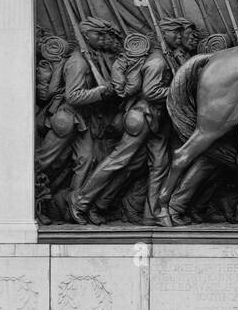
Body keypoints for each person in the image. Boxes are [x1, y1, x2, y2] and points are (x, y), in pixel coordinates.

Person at [70, 30, 172, 225]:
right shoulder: (156, 62)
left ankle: (151, 214)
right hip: (141, 117)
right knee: (118, 161)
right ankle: (80, 202)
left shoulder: (158, 58)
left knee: (158, 164)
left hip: (157, 121)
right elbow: (151, 92)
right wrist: (178, 88)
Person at [34, 21, 118, 216]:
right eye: (99, 35)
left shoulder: (92, 58)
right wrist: (99, 92)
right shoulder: (78, 63)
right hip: (67, 119)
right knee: (44, 162)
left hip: (82, 120)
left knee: (86, 159)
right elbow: (73, 96)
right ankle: (34, 202)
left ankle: (73, 204)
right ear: (86, 36)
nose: (103, 39)